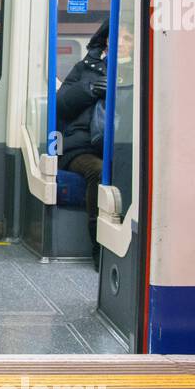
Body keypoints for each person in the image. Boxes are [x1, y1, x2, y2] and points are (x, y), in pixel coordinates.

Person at [55, 19, 131, 269]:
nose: (122, 43)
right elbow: (62, 104)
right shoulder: (86, 67)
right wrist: (89, 89)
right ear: (106, 39)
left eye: (128, 38)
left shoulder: (141, 71)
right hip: (83, 146)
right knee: (98, 172)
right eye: (117, 36)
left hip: (125, 144)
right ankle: (99, 246)